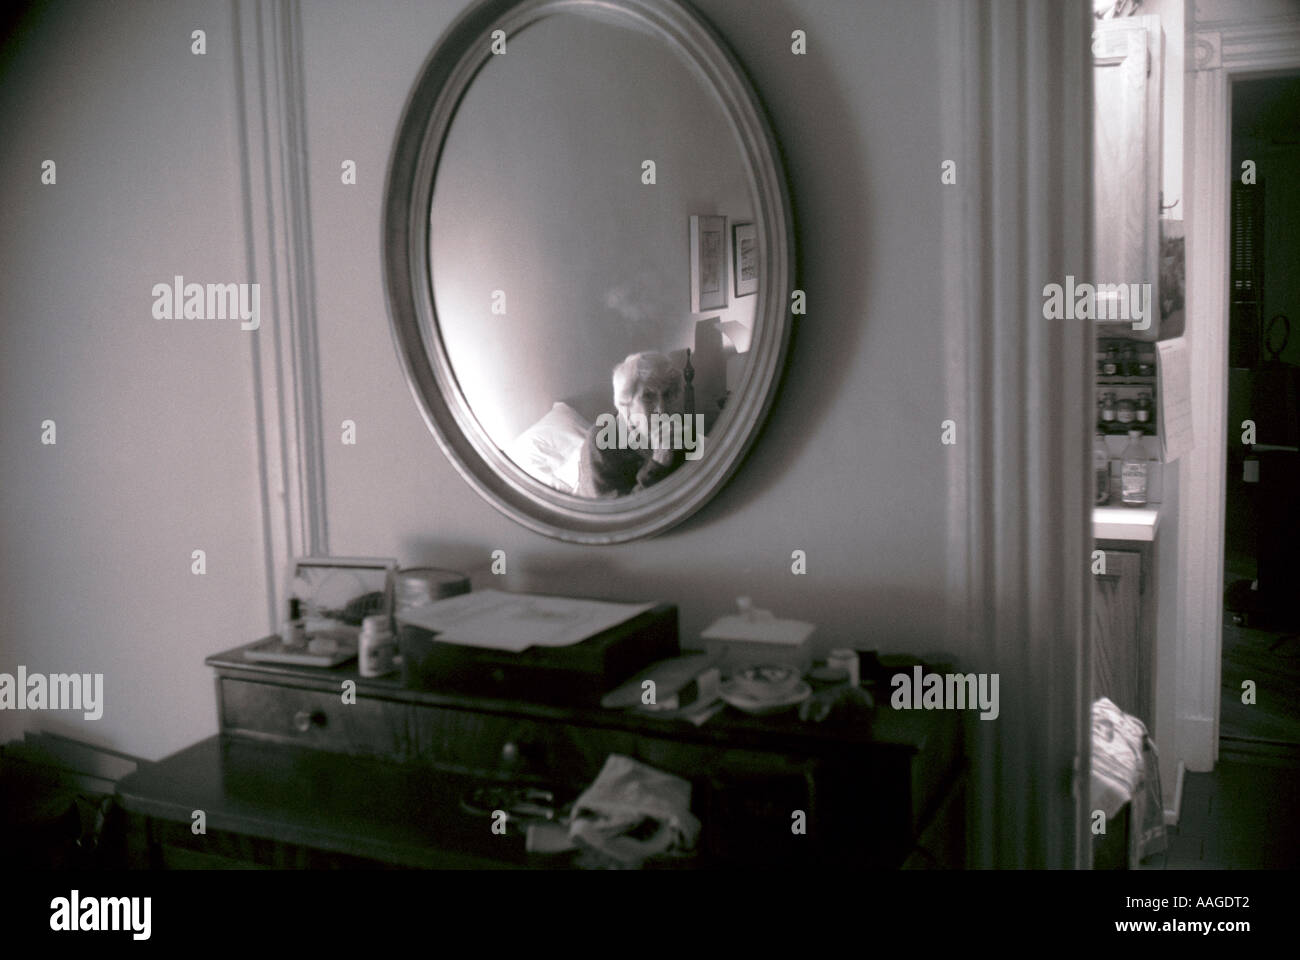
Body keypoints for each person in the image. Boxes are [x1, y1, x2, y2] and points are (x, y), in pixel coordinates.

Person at [576, 351, 688, 498]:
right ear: (625, 404)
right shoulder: (601, 440)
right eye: (648, 396)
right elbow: (615, 514)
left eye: (666, 394)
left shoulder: (677, 426)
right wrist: (657, 465)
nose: (662, 409)